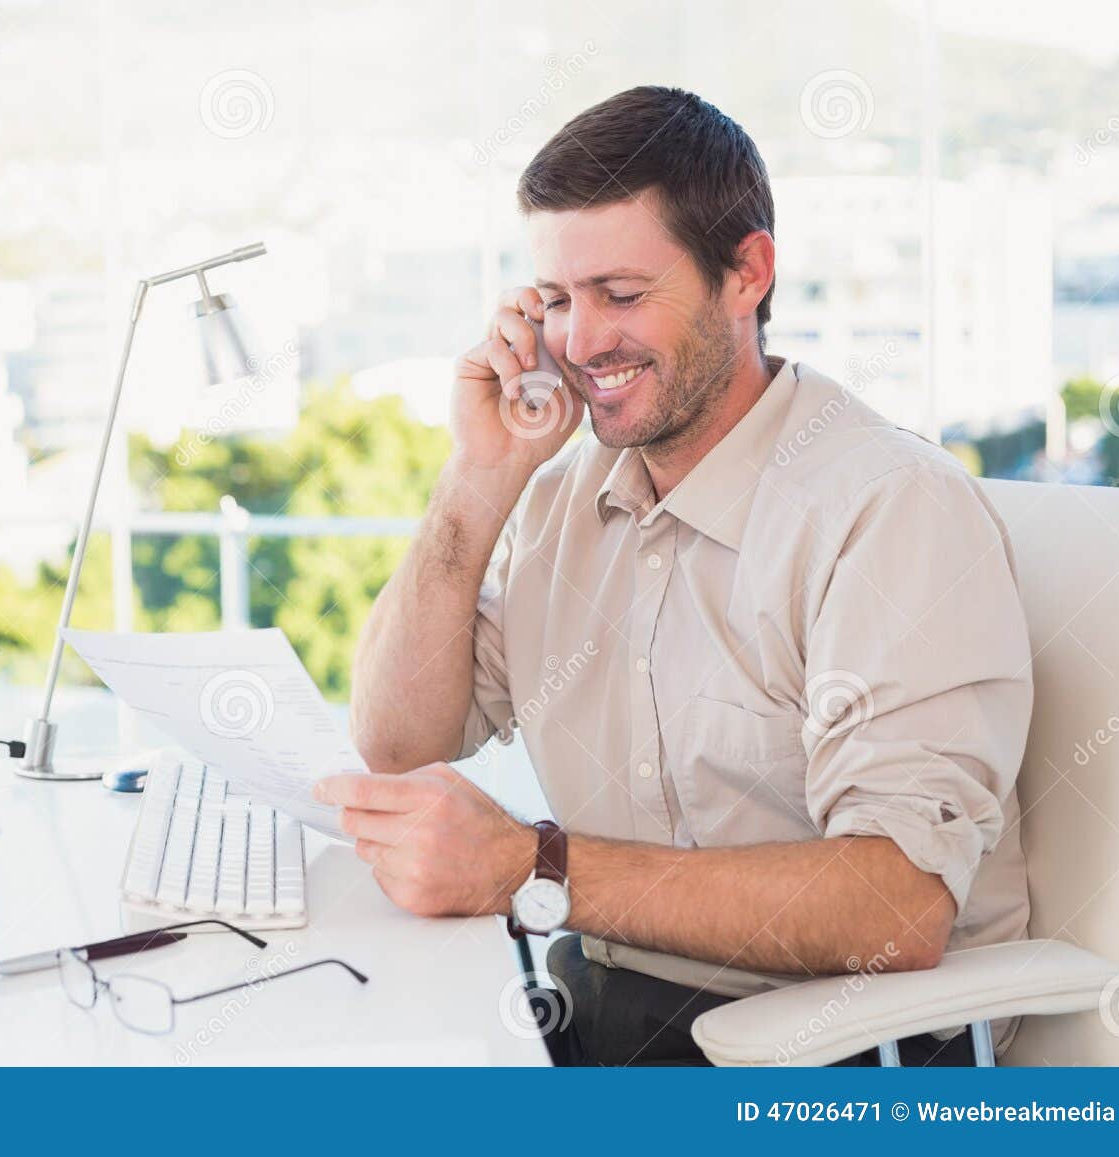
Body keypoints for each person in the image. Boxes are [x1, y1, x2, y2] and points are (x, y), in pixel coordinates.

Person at [320, 85, 1033, 1066]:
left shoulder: (885, 506)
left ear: (747, 273)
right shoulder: (561, 495)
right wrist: (475, 480)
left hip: (822, 1056)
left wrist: (534, 864)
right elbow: (400, 740)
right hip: (589, 1010)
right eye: (558, 300)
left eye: (621, 294)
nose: (578, 342)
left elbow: (894, 905)